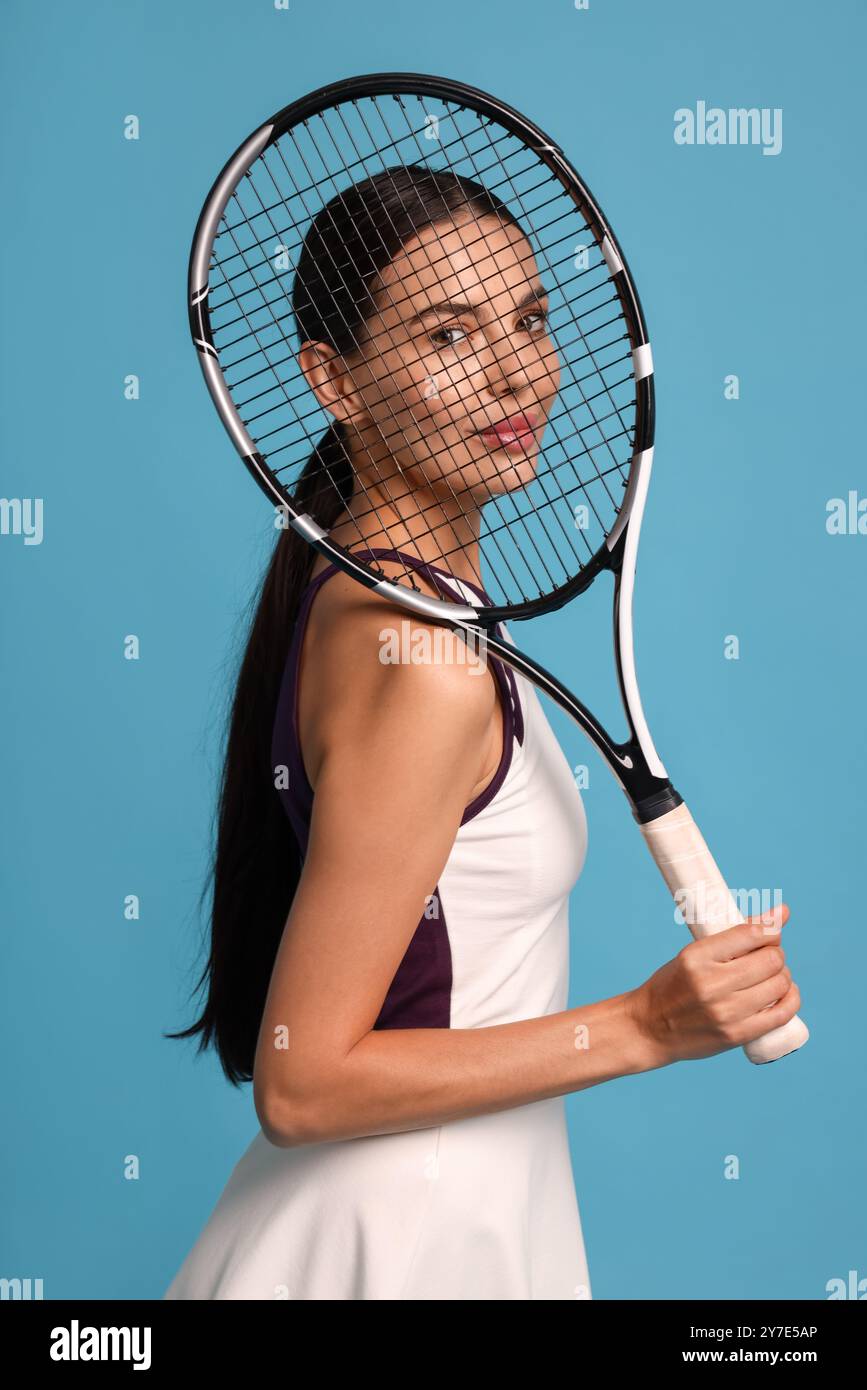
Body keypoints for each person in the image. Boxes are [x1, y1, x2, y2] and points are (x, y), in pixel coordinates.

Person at [164, 165, 800, 1300]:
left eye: (533, 319)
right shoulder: (425, 667)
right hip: (397, 1249)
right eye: (450, 335)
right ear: (333, 380)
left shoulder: (391, 610)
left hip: (454, 1227)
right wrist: (650, 1022)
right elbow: (303, 1087)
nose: (519, 373)